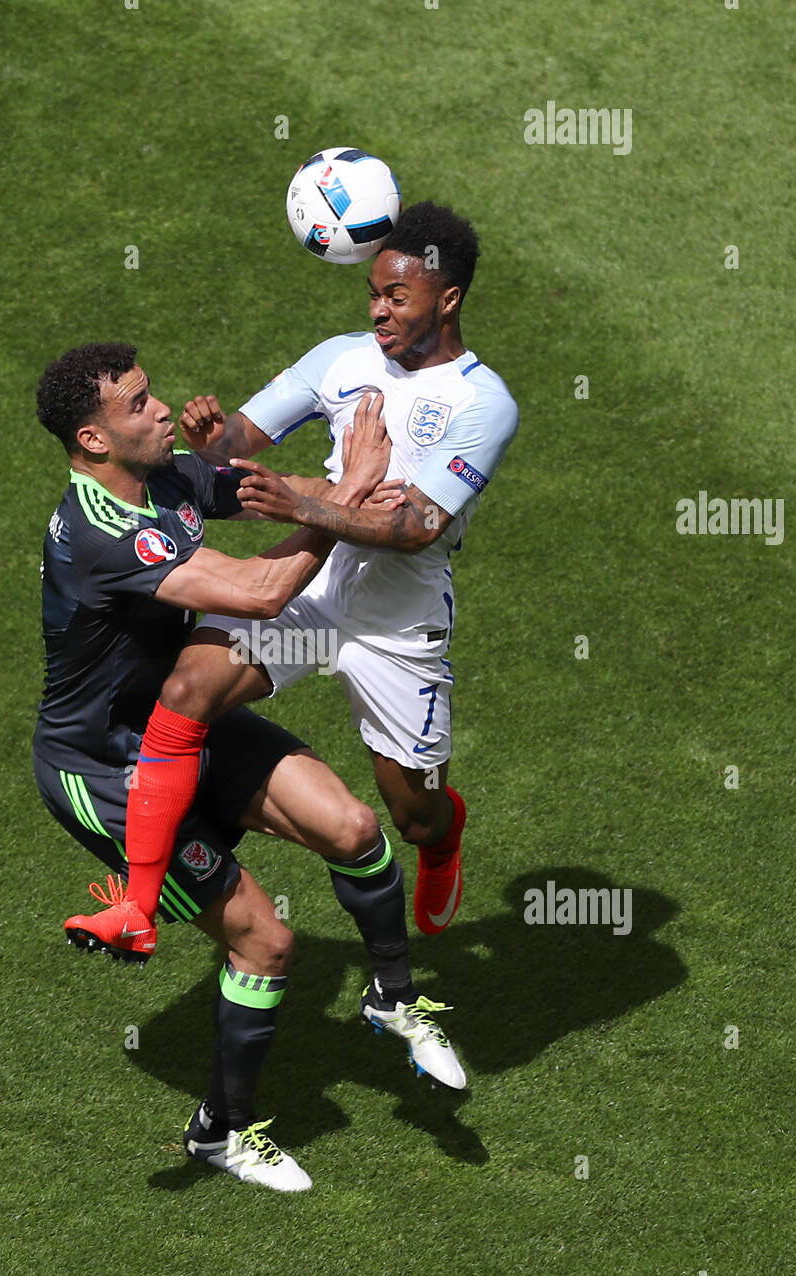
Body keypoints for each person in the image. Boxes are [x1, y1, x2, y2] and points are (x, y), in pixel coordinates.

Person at [32, 341, 466, 1193]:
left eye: (154, 394)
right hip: (106, 770)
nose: (162, 411)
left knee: (352, 827)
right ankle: (221, 1132)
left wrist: (355, 491)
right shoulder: (99, 532)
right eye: (138, 406)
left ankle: (390, 997)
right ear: (92, 441)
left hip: (184, 726)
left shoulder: (164, 479)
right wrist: (344, 500)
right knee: (266, 940)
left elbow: (266, 494)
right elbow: (263, 591)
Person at [92, 201, 519, 964]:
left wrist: (309, 502)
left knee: (411, 815)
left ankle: (442, 834)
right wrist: (209, 437)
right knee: (189, 690)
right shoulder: (340, 359)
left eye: (398, 296)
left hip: (398, 620)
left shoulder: (484, 404)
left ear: (447, 299)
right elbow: (236, 445)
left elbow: (417, 526)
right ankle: (140, 897)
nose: (378, 310)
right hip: (310, 587)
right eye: (373, 293)